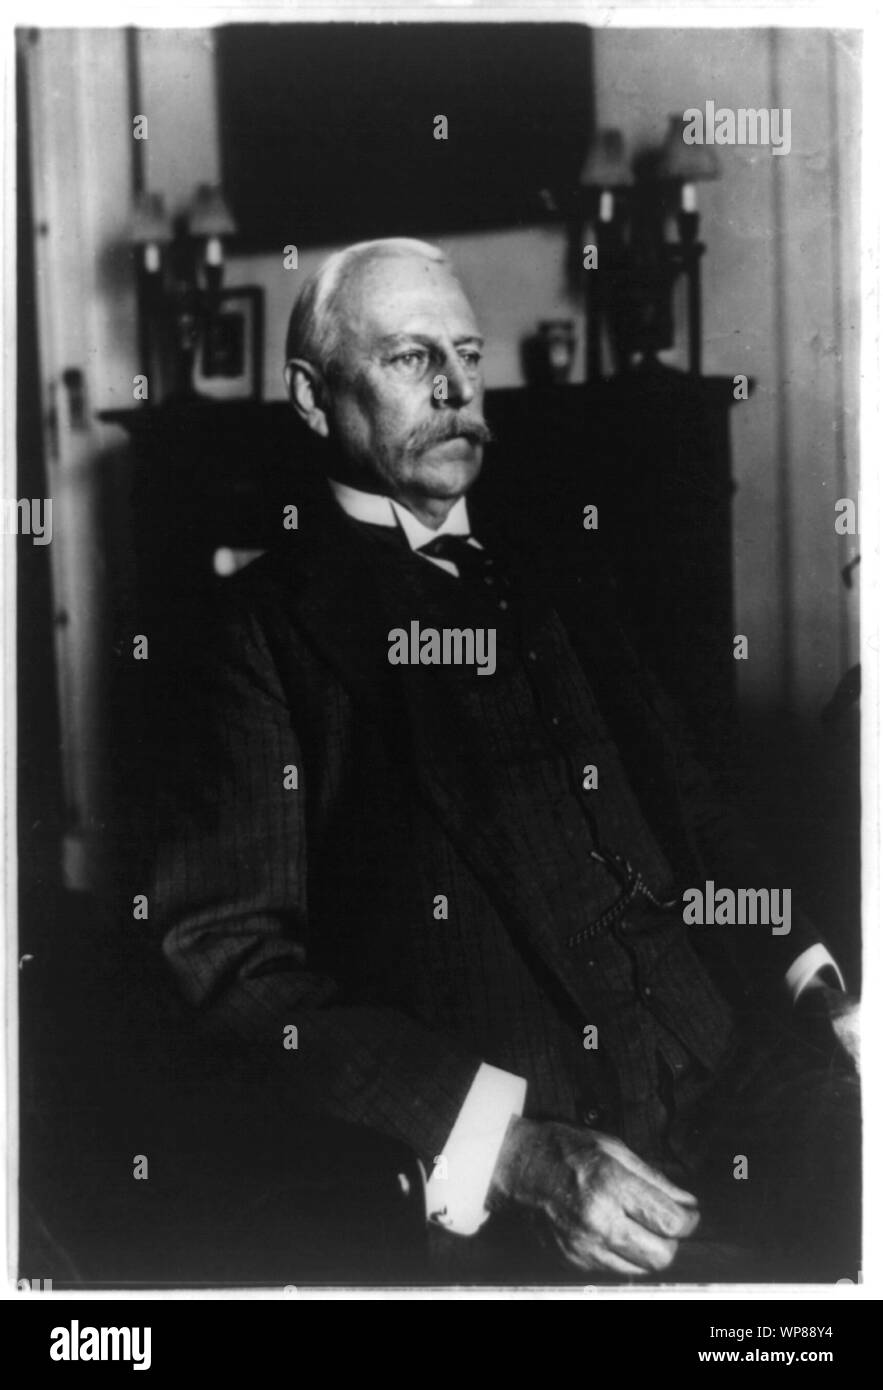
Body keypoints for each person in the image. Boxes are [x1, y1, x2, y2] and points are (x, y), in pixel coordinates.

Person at [150, 238, 859, 1283]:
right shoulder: (256, 632)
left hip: (751, 1061)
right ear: (310, 396)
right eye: (406, 358)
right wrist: (512, 1151)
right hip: (544, 1163)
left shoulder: (557, 561)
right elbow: (231, 963)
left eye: (466, 353)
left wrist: (822, 987)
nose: (453, 388)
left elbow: (694, 809)